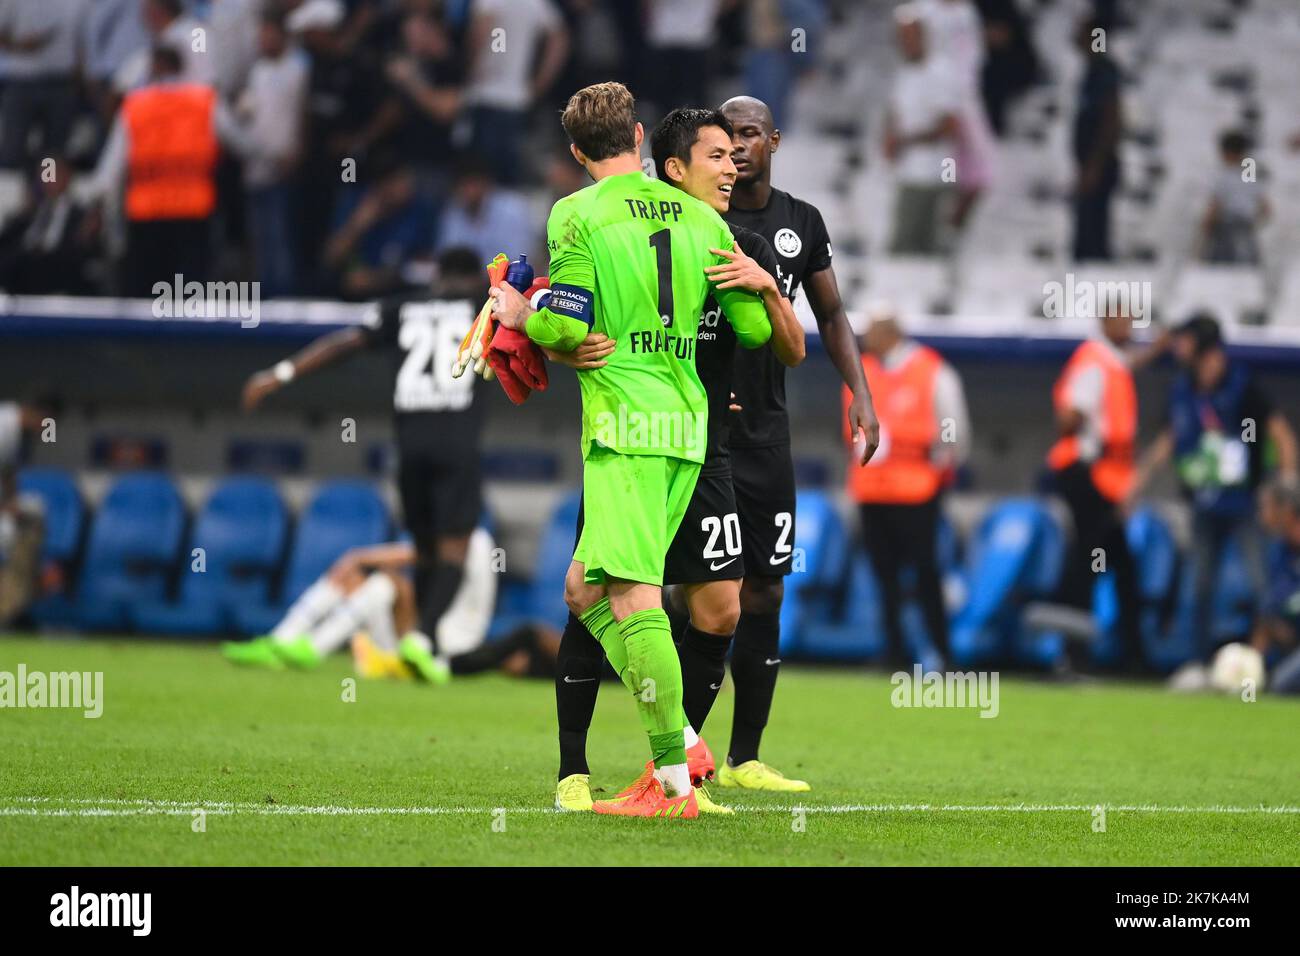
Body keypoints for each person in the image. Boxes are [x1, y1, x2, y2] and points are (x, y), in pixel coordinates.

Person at [489, 81, 771, 819]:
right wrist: (759, 285)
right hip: (688, 428)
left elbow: (568, 329)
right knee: (583, 591)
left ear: (578, 151)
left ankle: (676, 786)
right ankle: (679, 733)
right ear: (641, 138)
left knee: (632, 597)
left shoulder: (576, 213)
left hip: (625, 428)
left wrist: (521, 310)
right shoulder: (706, 219)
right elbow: (756, 333)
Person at [548, 107, 806, 814]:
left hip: (697, 449)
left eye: (736, 153)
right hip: (668, 433)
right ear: (669, 165)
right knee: (591, 594)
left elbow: (790, 346)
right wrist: (563, 342)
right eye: (718, 155)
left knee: (719, 608)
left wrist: (766, 285)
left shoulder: (733, 241)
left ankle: (674, 756)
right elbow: (578, 326)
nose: (733, 166)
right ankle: (586, 767)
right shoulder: (637, 229)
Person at [716, 93, 879, 790]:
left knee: (765, 590)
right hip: (694, 430)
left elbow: (834, 314)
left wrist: (862, 396)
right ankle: (676, 750)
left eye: (750, 135)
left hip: (765, 433)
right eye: (726, 138)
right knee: (695, 592)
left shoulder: (799, 222)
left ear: (774, 141)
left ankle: (744, 758)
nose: (739, 147)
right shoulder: (695, 213)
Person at [232, 247, 491, 683]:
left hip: (410, 445)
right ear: (473, 279)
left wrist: (281, 373)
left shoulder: (402, 306)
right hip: (458, 442)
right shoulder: (484, 307)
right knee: (454, 548)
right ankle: (424, 638)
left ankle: (418, 642)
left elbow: (345, 343)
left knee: (424, 547)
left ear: (437, 275)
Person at [1129, 315, 1297, 663]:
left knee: (1262, 585)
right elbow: (1170, 438)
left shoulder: (1241, 385)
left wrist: (1287, 482)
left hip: (1246, 505)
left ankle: (1267, 665)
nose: (1179, 348)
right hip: (1204, 505)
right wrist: (1139, 479)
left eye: (1186, 341)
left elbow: (1280, 433)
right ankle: (1197, 664)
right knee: (1200, 587)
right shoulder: (1183, 389)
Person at [848, 305, 969, 670]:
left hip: (918, 492)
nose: (866, 339)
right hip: (873, 491)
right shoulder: (861, 372)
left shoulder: (931, 370)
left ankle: (942, 653)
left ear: (891, 332)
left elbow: (954, 430)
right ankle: (894, 652)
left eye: (873, 331)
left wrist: (941, 468)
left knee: (926, 574)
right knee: (884, 576)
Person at [1046, 306, 1161, 671]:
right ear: (1105, 322)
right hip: (1087, 475)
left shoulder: (1111, 360)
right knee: (1089, 561)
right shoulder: (1093, 361)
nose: (1128, 326)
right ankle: (1074, 653)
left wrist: (1160, 347)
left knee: (1118, 564)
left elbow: (1127, 364)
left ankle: (1129, 654)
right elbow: (1069, 415)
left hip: (1105, 480)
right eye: (1121, 319)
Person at [85, 45, 245, 296]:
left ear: (155, 68)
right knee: (191, 292)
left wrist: (98, 206)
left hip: (147, 213)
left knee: (149, 293)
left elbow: (111, 168)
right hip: (193, 210)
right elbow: (240, 143)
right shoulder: (205, 101)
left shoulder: (135, 106)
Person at [233, 7, 310, 299]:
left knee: (281, 237)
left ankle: (285, 297)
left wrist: (297, 151)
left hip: (284, 165)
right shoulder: (257, 71)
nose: (263, 40)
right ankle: (264, 296)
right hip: (256, 168)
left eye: (268, 34)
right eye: (260, 34)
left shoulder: (298, 68)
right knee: (260, 239)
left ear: (282, 35)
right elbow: (249, 117)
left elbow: (303, 115)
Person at [461, 0, 568, 185]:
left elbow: (483, 28)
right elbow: (560, 38)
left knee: (482, 175)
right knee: (508, 177)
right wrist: (541, 81)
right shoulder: (535, 4)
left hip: (487, 95)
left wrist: (471, 68)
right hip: (516, 99)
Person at [884, 6, 962, 255]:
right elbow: (897, 115)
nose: (906, 42)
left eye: (911, 36)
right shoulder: (904, 72)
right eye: (902, 37)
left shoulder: (940, 71)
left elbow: (949, 125)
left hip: (935, 174)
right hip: (908, 173)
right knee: (903, 250)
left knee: (925, 252)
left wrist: (905, 142)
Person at [0, 0, 84, 170]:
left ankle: (48, 191)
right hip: (21, 81)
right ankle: (12, 193)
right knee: (13, 147)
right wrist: (20, 45)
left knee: (53, 151)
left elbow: (83, 41)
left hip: (60, 82)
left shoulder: (77, 3)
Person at [1070, 15, 1122, 262]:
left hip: (1099, 162)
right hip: (1090, 162)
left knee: (1092, 230)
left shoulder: (1104, 69)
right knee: (1086, 227)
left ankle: (1095, 280)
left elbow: (1111, 118)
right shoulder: (1091, 69)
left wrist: (1095, 164)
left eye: (1083, 34)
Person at [1253, 480, 1300, 694]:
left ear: (1287, 511)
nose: (1261, 516)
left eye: (1266, 507)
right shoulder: (1279, 551)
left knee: (1282, 683)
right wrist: (1250, 668)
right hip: (1293, 642)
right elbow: (1267, 614)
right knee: (1279, 684)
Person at [1200, 131, 1269, 265]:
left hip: (1226, 229)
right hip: (1247, 229)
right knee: (1247, 268)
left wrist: (1206, 228)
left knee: (1222, 270)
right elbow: (1264, 206)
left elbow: (1216, 205)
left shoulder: (1222, 175)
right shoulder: (1252, 171)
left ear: (1228, 152)